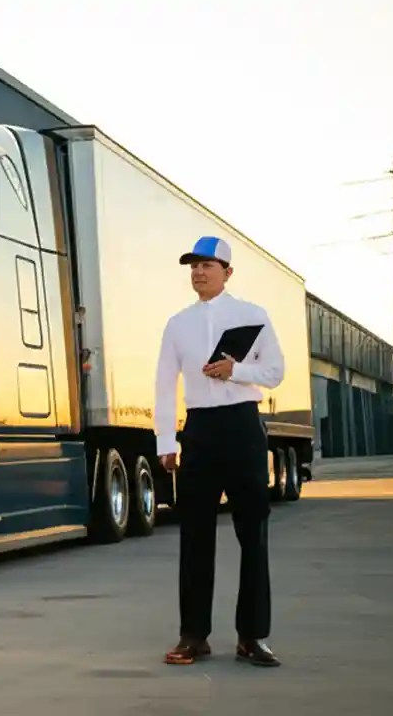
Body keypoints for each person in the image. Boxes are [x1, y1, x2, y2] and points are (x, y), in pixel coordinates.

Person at [154, 235, 285, 668]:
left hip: (243, 426)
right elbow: (164, 384)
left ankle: (252, 636)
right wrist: (165, 441)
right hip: (201, 430)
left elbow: (276, 372)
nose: (198, 272)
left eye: (208, 265)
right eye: (193, 265)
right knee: (195, 535)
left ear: (227, 273)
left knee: (253, 533)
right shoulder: (178, 324)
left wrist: (236, 370)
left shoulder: (252, 316)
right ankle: (193, 635)